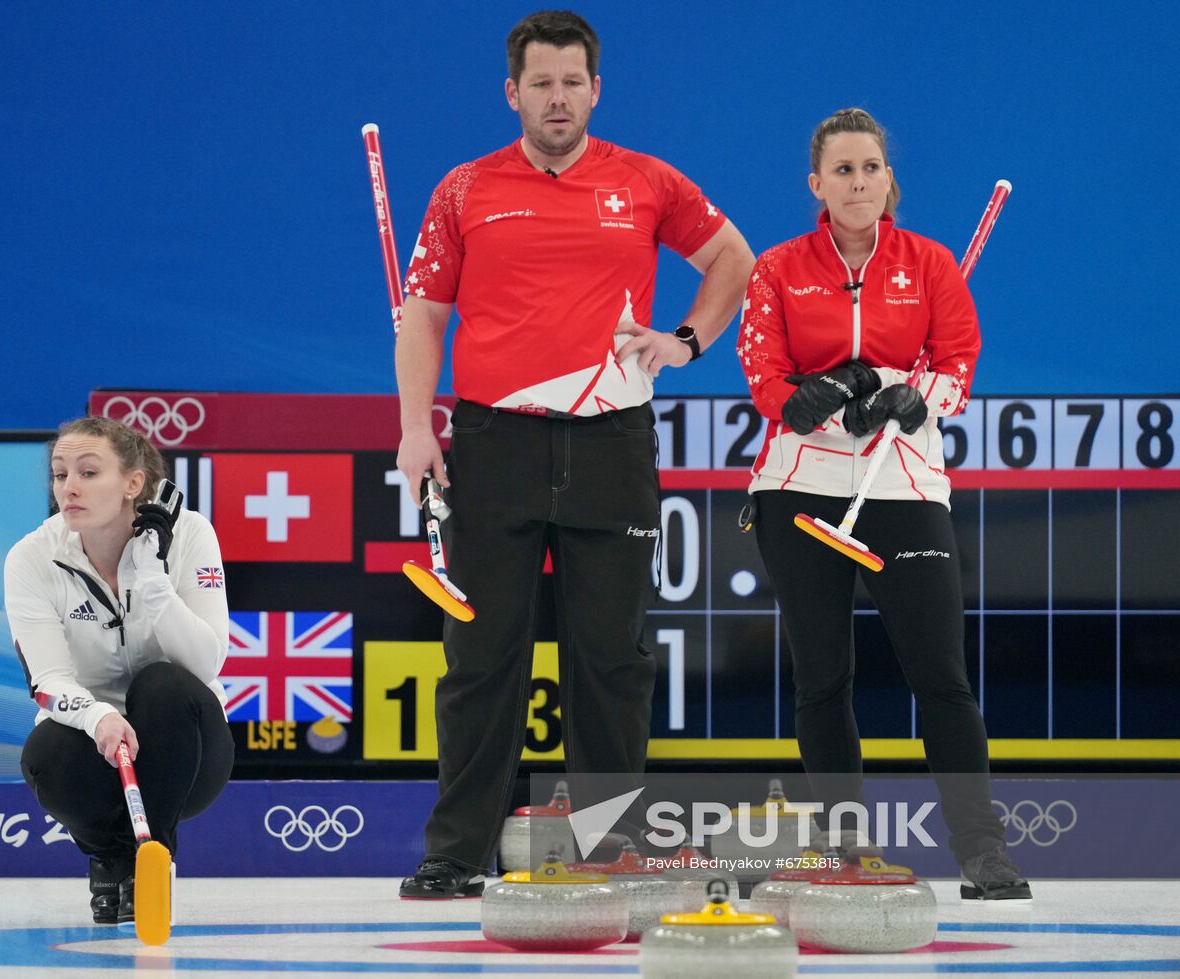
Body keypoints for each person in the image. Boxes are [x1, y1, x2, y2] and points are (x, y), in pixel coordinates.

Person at [394, 10, 754, 899]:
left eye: (572, 82)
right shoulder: (465, 188)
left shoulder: (646, 180)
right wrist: (414, 427)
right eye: (541, 83)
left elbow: (733, 260)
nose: (557, 98)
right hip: (494, 441)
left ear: (596, 90)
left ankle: (610, 846)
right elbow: (425, 316)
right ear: (511, 93)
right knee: (482, 657)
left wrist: (686, 341)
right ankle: (457, 851)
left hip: (610, 444)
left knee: (610, 657)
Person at [738, 107, 1030, 901]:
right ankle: (845, 847)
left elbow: (958, 362)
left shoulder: (930, 263)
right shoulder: (777, 269)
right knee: (822, 676)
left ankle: (983, 853)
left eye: (870, 167)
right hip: (800, 485)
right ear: (817, 183)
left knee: (940, 673)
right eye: (842, 170)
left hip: (902, 480)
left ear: (888, 177)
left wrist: (920, 397)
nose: (858, 182)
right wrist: (819, 403)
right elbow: (765, 377)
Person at [6, 416, 234, 923]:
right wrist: (99, 718)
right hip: (94, 747)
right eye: (60, 474)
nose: (69, 488)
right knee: (46, 752)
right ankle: (110, 857)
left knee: (165, 683)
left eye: (88, 473)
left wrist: (152, 577)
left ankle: (154, 859)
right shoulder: (31, 558)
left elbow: (205, 663)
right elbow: (46, 683)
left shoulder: (191, 534)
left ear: (133, 483)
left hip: (188, 751)